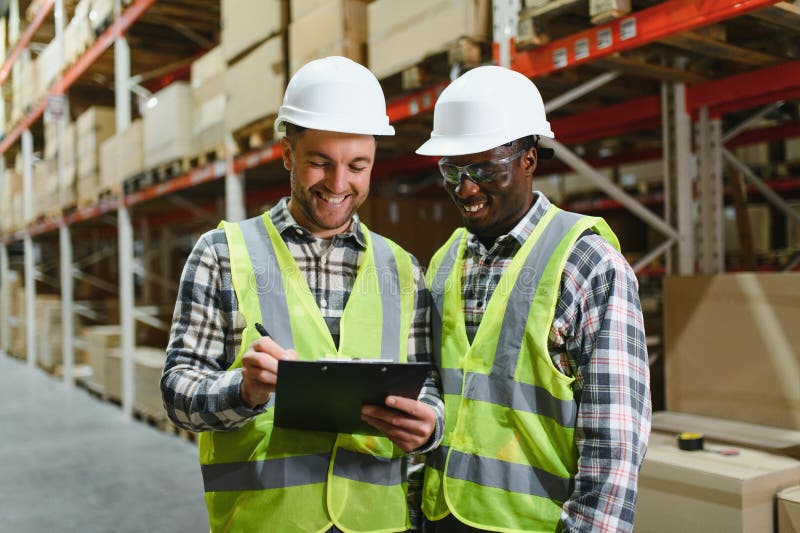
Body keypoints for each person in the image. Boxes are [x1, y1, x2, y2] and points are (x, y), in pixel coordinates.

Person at [162, 56, 443, 533]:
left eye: (357, 166)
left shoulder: (402, 269)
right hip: (266, 522)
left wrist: (429, 426)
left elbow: (427, 383)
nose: (338, 185)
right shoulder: (222, 255)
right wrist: (244, 391)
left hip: (377, 524)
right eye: (319, 162)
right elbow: (177, 390)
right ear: (288, 153)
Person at [414, 66, 651, 532]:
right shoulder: (444, 262)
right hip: (443, 517)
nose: (465, 189)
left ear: (529, 159)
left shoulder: (587, 264)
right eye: (452, 170)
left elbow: (615, 442)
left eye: (484, 169)